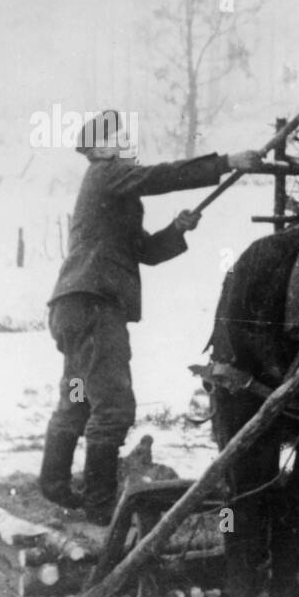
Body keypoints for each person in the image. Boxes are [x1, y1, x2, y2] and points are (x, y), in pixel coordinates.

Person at [39, 110, 263, 525]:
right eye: (118, 138)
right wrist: (225, 162)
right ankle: (100, 508)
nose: (126, 144)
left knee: (78, 398)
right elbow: (160, 176)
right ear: (99, 148)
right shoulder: (106, 174)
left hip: (74, 308)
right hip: (94, 309)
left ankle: (53, 484)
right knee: (114, 407)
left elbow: (144, 251)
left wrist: (178, 230)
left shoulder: (114, 195)